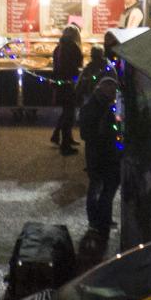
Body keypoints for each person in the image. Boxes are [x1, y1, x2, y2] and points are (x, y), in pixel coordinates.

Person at [77, 47, 123, 238]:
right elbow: (88, 134)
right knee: (99, 186)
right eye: (112, 93)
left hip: (103, 153)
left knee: (105, 186)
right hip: (100, 154)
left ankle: (102, 219)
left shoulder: (101, 104)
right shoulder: (96, 108)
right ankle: (96, 221)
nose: (114, 96)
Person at [49, 24, 83, 154]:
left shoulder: (59, 47)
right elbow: (78, 64)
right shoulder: (73, 47)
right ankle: (65, 145)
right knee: (69, 113)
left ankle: (63, 137)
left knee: (66, 111)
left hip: (60, 83)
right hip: (69, 83)